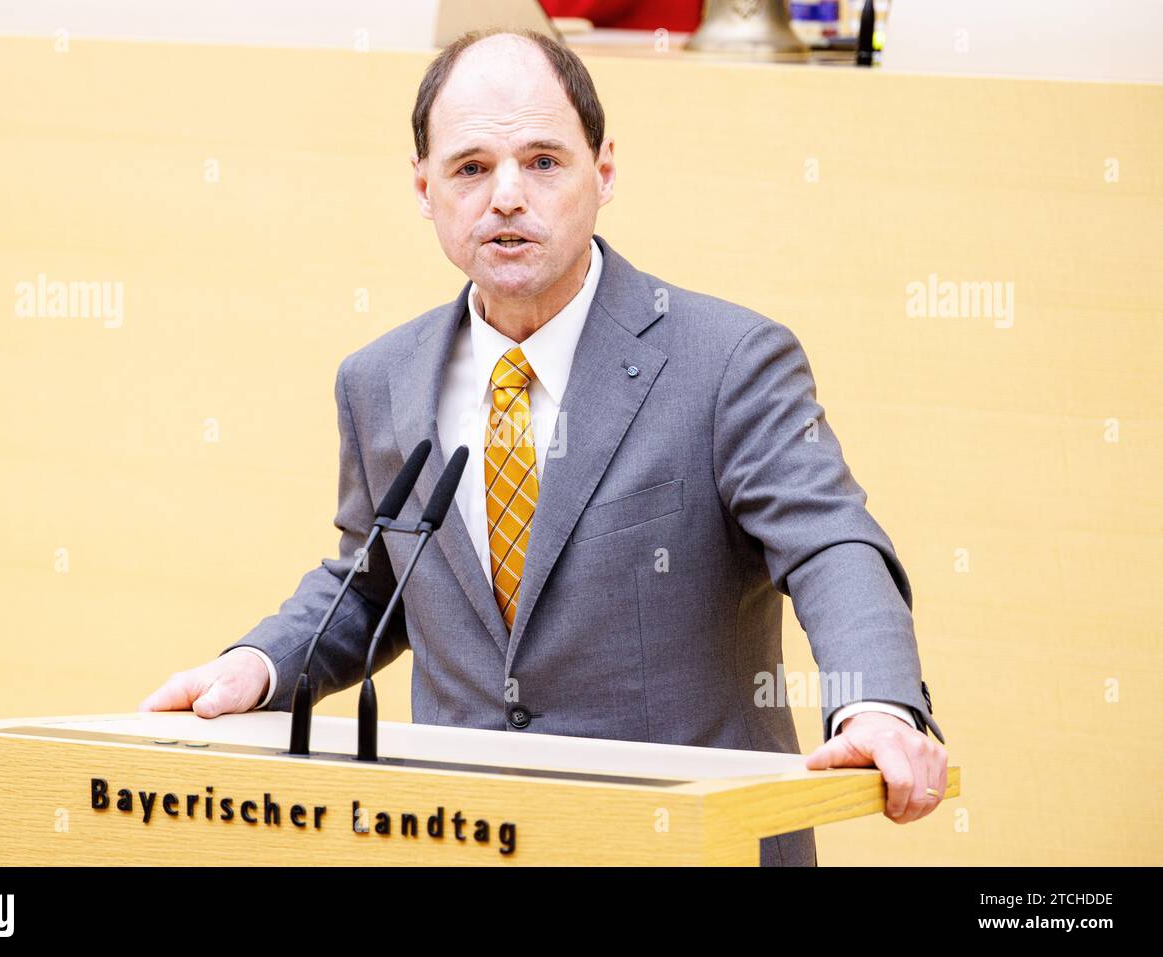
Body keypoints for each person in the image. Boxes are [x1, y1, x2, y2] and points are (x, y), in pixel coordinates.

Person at [140, 28, 947, 866]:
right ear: (423, 188)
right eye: (470, 168)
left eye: (544, 161)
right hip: (470, 841)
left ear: (603, 171)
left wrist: (877, 705)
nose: (506, 198)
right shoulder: (379, 379)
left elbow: (831, 544)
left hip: (686, 847)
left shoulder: (726, 361)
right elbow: (378, 578)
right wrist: (260, 665)